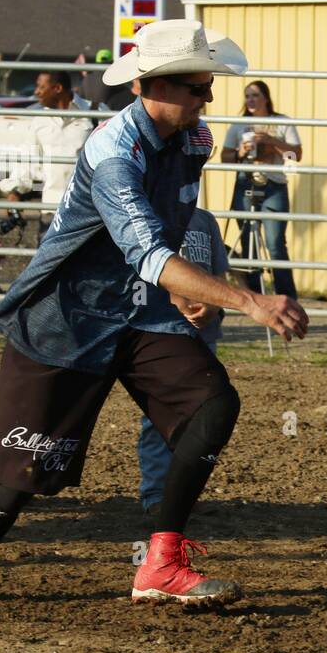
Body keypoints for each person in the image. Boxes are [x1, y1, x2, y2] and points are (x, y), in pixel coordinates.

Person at [0, 19, 307, 610]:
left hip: (141, 308)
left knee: (213, 401)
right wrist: (251, 299)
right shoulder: (113, 153)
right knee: (23, 466)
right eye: (199, 88)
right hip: (70, 314)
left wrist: (176, 289)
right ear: (157, 85)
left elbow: (163, 229)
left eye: (208, 88)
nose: (208, 99)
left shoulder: (194, 141)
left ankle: (162, 561)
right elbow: (147, 249)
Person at [137, 204, 230, 519]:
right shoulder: (150, 216)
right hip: (164, 331)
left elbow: (218, 273)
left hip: (204, 333)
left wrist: (214, 304)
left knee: (202, 415)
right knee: (159, 417)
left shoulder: (205, 220)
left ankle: (182, 492)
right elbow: (148, 269)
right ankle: (156, 493)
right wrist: (174, 304)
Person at [220, 80, 302, 299]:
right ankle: (255, 296)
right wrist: (240, 152)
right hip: (246, 182)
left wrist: (273, 142)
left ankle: (286, 296)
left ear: (266, 97)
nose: (251, 100)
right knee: (248, 242)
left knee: (275, 243)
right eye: (247, 96)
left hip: (274, 184)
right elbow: (225, 158)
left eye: (255, 95)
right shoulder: (238, 125)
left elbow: (296, 156)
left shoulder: (282, 122)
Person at [0, 70, 95, 208]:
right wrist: (16, 191)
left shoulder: (95, 112)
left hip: (86, 208)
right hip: (51, 207)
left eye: (42, 87)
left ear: (58, 88)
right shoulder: (39, 120)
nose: (36, 92)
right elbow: (28, 160)